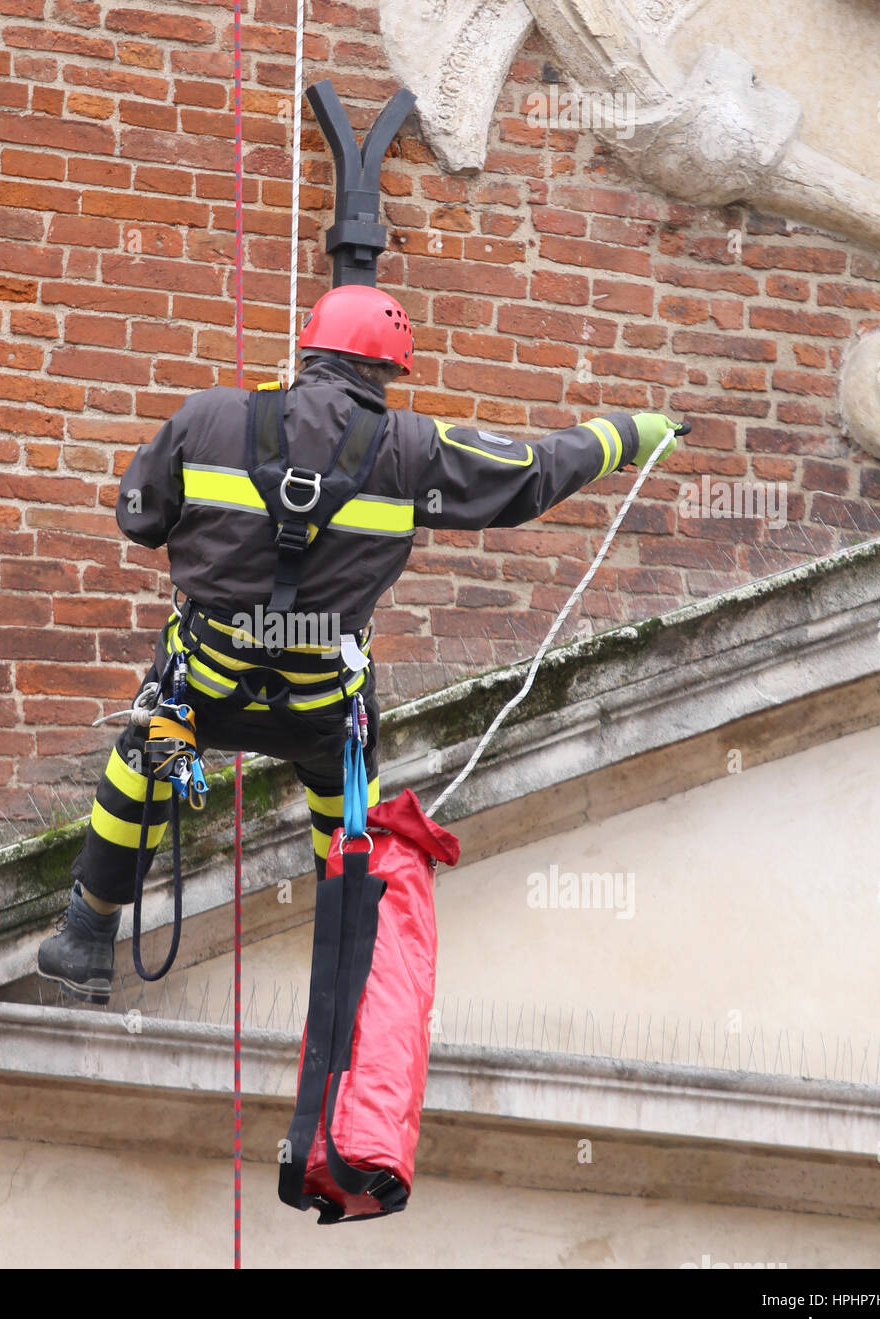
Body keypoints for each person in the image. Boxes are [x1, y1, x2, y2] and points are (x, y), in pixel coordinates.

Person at [37, 285, 685, 1002]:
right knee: (346, 798)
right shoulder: (411, 451)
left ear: (308, 350)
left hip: (205, 686)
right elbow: (529, 472)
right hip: (321, 703)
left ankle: (88, 937)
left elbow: (139, 517)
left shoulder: (209, 418)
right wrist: (628, 435)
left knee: (146, 756)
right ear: (390, 374)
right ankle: (348, 973)